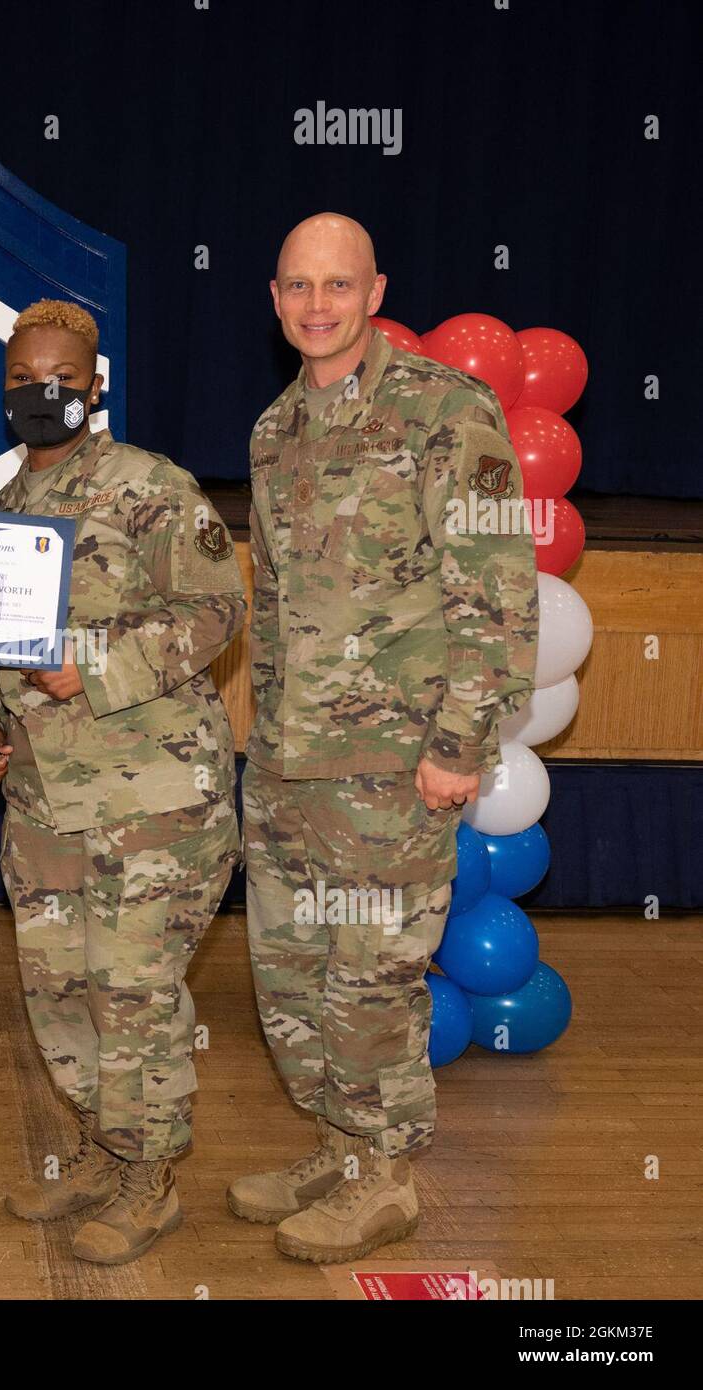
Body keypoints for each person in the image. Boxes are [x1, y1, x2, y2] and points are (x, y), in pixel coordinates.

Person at [228, 213, 539, 1263]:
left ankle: (384, 1176)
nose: (318, 305)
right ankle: (335, 1144)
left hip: (393, 767)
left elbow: (496, 589)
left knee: (368, 979)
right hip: (289, 764)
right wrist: (261, 745)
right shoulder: (275, 431)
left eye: (339, 285)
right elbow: (271, 608)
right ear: (275, 300)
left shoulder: (446, 410)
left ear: (374, 290)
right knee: (291, 976)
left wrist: (460, 743)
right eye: (299, 287)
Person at [0, 299, 245, 1264]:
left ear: (96, 385)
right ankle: (104, 1144)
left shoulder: (148, 489)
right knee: (58, 989)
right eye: (23, 384)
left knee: (133, 992)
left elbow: (217, 609)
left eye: (62, 384)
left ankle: (151, 1177)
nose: (42, 398)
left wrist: (94, 661)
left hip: (152, 799)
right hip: (44, 801)